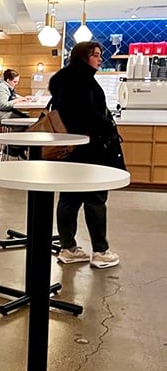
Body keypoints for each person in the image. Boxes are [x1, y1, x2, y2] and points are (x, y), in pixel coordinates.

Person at [48, 41, 125, 269]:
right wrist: (107, 128)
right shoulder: (82, 81)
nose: (100, 59)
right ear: (84, 57)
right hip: (90, 148)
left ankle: (68, 247)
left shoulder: (66, 79)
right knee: (95, 198)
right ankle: (100, 251)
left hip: (71, 148)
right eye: (95, 55)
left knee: (70, 198)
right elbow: (87, 115)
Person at [0, 68, 31, 157]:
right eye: (15, 82)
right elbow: (3, 105)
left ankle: (18, 147)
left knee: (25, 119)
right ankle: (12, 148)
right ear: (8, 80)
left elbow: (13, 96)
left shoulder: (8, 87)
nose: (16, 84)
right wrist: (18, 100)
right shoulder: (2, 87)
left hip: (1, 113)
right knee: (22, 122)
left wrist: (23, 98)